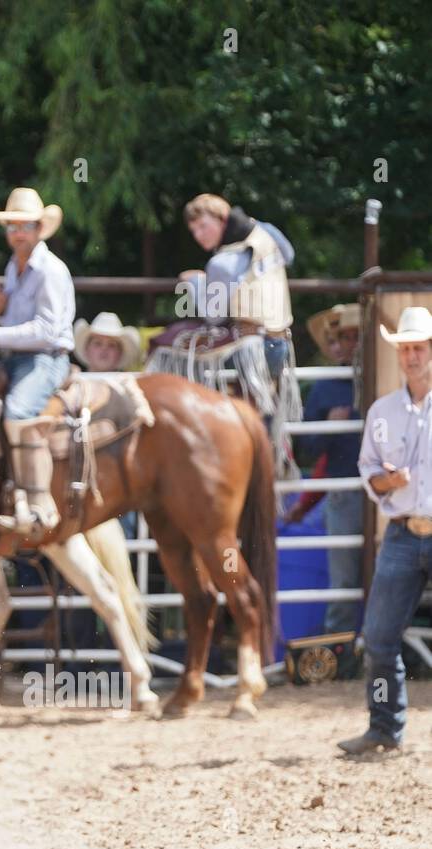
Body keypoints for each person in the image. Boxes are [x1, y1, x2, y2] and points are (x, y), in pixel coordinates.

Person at [339, 306, 432, 754]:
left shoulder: (383, 410)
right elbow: (369, 473)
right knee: (378, 638)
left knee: (380, 639)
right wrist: (387, 481)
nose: (411, 356)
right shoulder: (383, 411)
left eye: (418, 347)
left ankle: (383, 728)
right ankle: (383, 728)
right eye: (406, 348)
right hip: (400, 530)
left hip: (410, 531)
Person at [0, 187, 74, 538]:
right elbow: (18, 324)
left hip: (47, 360)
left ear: (39, 228)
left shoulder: (50, 271)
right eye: (11, 226)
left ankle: (36, 501)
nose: (17, 232)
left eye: (24, 226)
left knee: (17, 411)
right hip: (17, 359)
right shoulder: (14, 268)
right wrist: (1, 312)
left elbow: (47, 331)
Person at [284, 304, 363, 634]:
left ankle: (382, 646)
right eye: (344, 337)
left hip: (387, 492)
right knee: (345, 577)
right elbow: (307, 448)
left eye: (357, 336)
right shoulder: (325, 388)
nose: (350, 343)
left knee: (394, 573)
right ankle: (343, 648)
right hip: (346, 491)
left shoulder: (389, 379)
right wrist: (330, 427)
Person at [180, 192, 295, 380]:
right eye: (194, 230)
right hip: (282, 343)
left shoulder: (221, 263)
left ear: (223, 219)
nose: (198, 235)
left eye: (203, 226)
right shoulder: (266, 231)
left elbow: (214, 316)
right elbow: (289, 255)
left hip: (250, 350)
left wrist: (195, 282)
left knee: (184, 364)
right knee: (266, 407)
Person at [73, 312, 142, 373]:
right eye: (98, 343)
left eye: (112, 345)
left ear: (120, 353)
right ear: (86, 349)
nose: (104, 349)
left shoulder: (129, 385)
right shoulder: (71, 384)